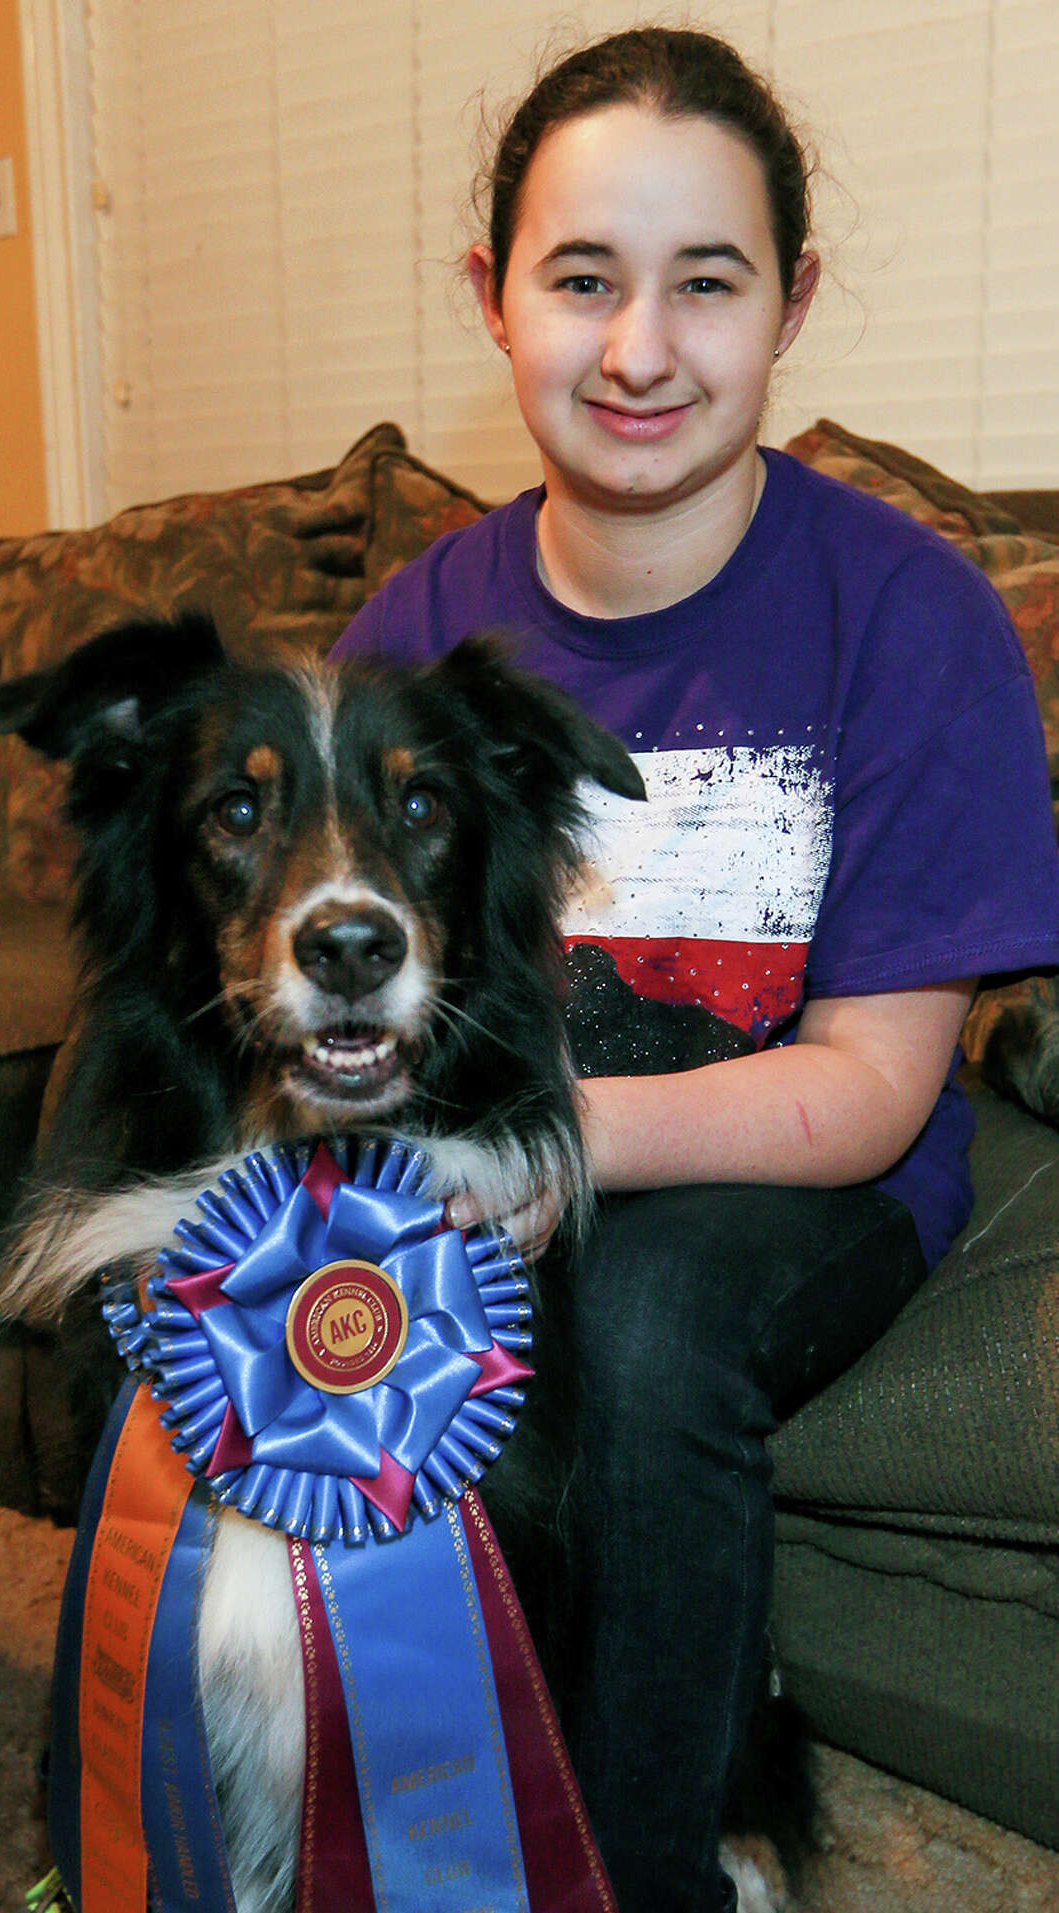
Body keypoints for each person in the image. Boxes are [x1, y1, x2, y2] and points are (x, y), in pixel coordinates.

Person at [332, 26, 1059, 1911]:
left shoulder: (912, 619)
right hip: (493, 1124)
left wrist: (534, 1151)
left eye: (707, 283)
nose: (641, 348)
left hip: (800, 1166)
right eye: (583, 280)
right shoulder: (413, 623)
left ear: (792, 302)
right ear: (493, 299)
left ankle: (649, 1865)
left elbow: (875, 1089)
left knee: (639, 1321)